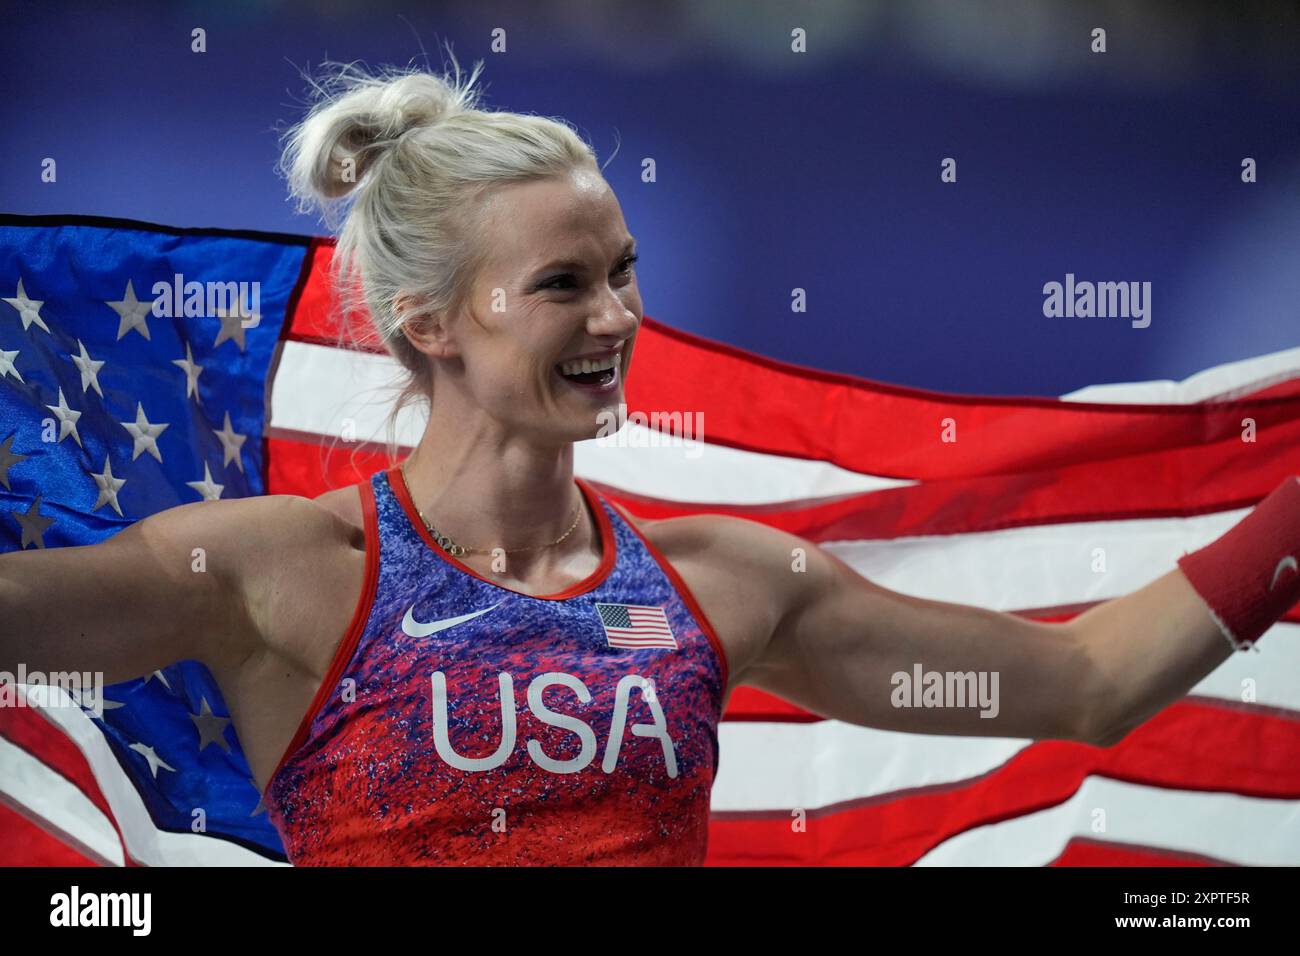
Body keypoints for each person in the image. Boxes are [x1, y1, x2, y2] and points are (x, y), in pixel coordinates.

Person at [3, 58, 1298, 866]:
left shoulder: (725, 584)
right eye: (563, 285)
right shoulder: (278, 570)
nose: (619, 320)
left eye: (623, 274)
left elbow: (1083, 684)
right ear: (428, 323)